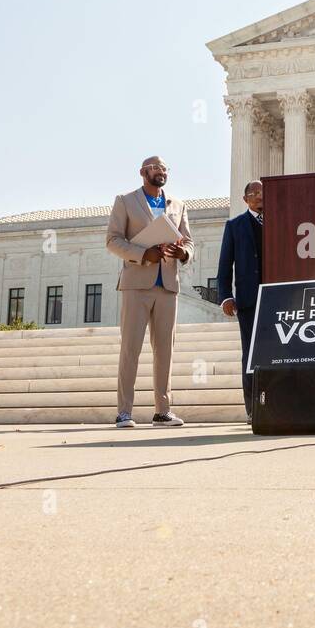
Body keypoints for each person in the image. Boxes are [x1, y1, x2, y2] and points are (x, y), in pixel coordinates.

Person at [105, 155, 194, 428]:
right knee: (130, 349)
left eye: (164, 168)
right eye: (154, 168)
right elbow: (113, 240)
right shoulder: (125, 201)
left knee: (165, 350)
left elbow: (188, 240)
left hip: (167, 285)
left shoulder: (177, 205)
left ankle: (162, 410)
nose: (160, 172)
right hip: (136, 284)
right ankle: (124, 412)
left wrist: (184, 252)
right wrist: (144, 254)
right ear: (142, 172)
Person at [217, 180, 264, 421]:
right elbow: (225, 264)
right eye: (253, 193)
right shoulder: (234, 226)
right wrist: (225, 295)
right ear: (245, 199)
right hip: (248, 300)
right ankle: (253, 408)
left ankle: (277, 403)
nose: (259, 196)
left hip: (278, 298)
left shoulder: (280, 221)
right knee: (251, 353)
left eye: (262, 192)